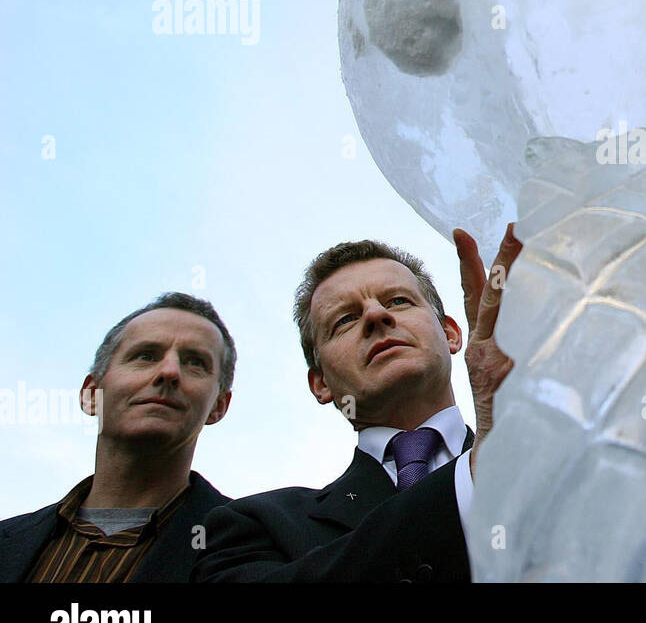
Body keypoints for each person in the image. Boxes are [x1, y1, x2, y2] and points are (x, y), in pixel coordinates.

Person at [194, 228, 518, 583]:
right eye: (345, 319)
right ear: (320, 383)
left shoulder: (560, 471)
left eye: (398, 301)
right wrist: (469, 480)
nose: (376, 316)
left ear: (451, 334)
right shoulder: (254, 523)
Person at [0, 293, 234, 582]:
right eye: (145, 355)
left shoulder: (249, 544)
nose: (170, 371)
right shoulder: (7, 543)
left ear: (219, 406)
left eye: (195, 362)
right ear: (91, 394)